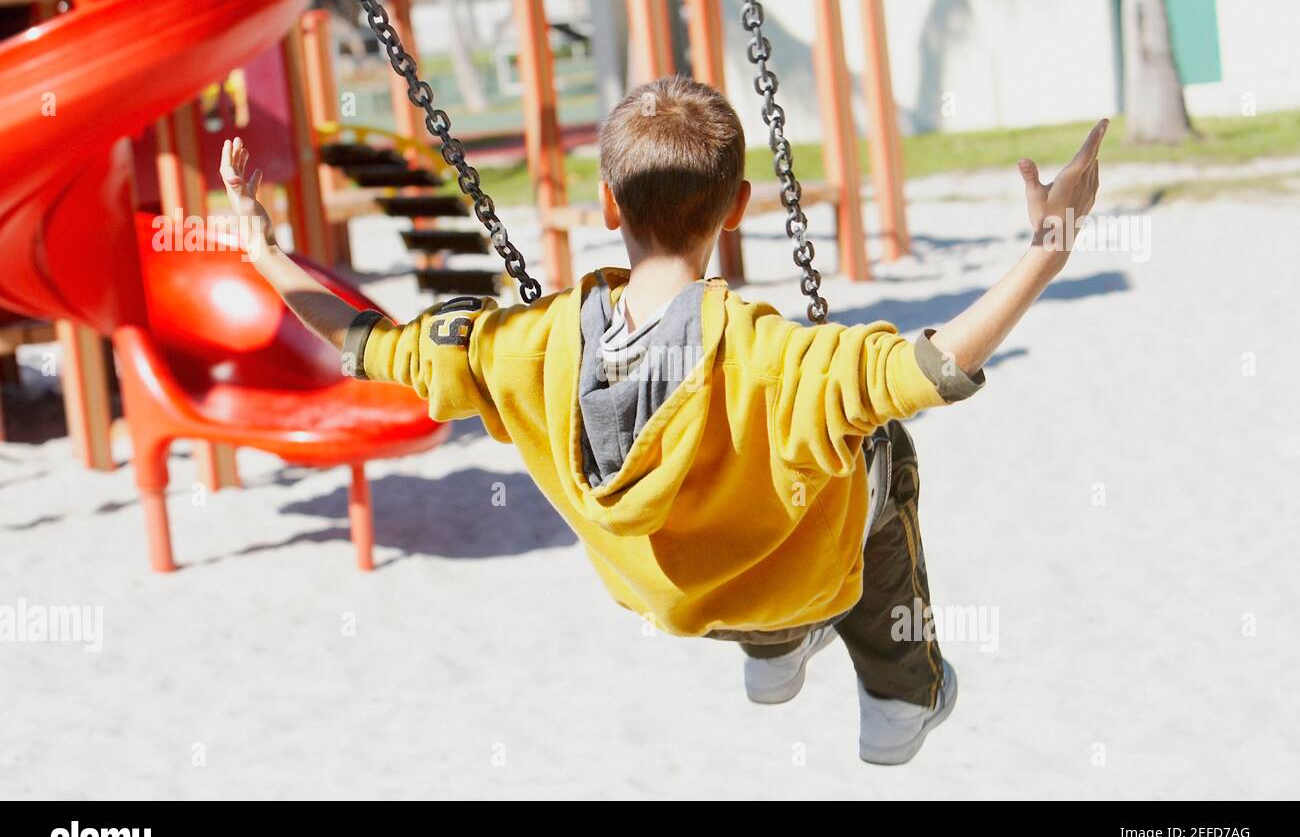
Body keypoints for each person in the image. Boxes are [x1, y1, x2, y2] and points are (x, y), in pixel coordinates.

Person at [219, 76, 1105, 764]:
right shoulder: (774, 360)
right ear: (740, 206)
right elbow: (935, 364)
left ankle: (772, 652)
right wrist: (1046, 252)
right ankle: (901, 694)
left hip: (662, 597)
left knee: (800, 457)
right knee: (879, 436)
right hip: (795, 578)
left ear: (609, 206)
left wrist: (264, 249)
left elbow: (366, 342)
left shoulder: (522, 347)